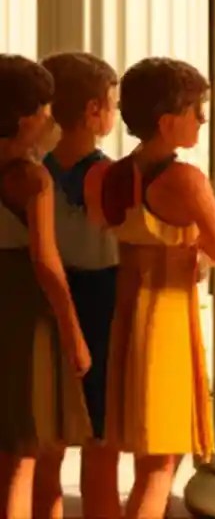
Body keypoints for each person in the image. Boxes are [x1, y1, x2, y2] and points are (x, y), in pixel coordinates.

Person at [84, 58, 215, 518]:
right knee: (160, 464)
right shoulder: (186, 180)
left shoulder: (104, 176)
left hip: (125, 318)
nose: (203, 120)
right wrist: (199, 249)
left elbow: (110, 226)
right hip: (166, 323)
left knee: (140, 453)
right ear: (169, 122)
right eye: (196, 110)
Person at [0, 55, 93, 517]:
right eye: (43, 108)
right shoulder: (32, 179)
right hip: (24, 316)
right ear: (23, 118)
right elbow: (47, 261)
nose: (49, 118)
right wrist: (73, 333)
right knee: (23, 451)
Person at [36, 52, 123, 518]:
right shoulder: (108, 174)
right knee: (101, 443)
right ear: (94, 112)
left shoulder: (37, 171)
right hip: (103, 303)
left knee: (50, 442)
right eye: (112, 103)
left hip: (50, 302)